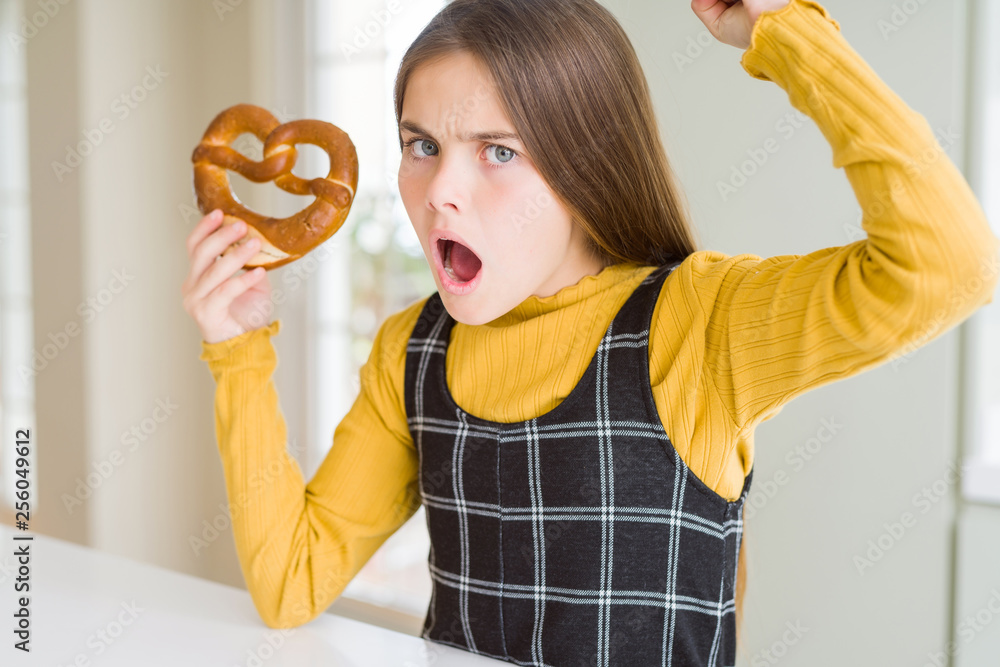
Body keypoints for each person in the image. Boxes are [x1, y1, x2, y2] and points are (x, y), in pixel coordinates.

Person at [181, 0, 1000, 665]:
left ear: (585, 163)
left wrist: (787, 31)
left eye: (496, 151)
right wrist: (238, 349)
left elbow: (950, 264)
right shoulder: (411, 349)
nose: (439, 193)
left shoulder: (699, 322)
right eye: (421, 145)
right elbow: (289, 581)